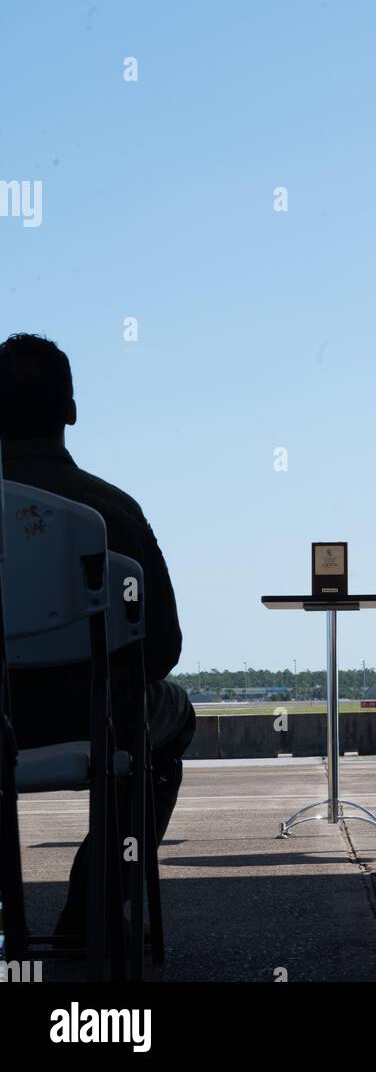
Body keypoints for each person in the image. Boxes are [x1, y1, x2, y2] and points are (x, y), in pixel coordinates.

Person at [0, 333, 195, 938]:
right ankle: (95, 901)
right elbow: (162, 648)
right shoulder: (114, 513)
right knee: (170, 722)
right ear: (70, 411)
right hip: (94, 716)